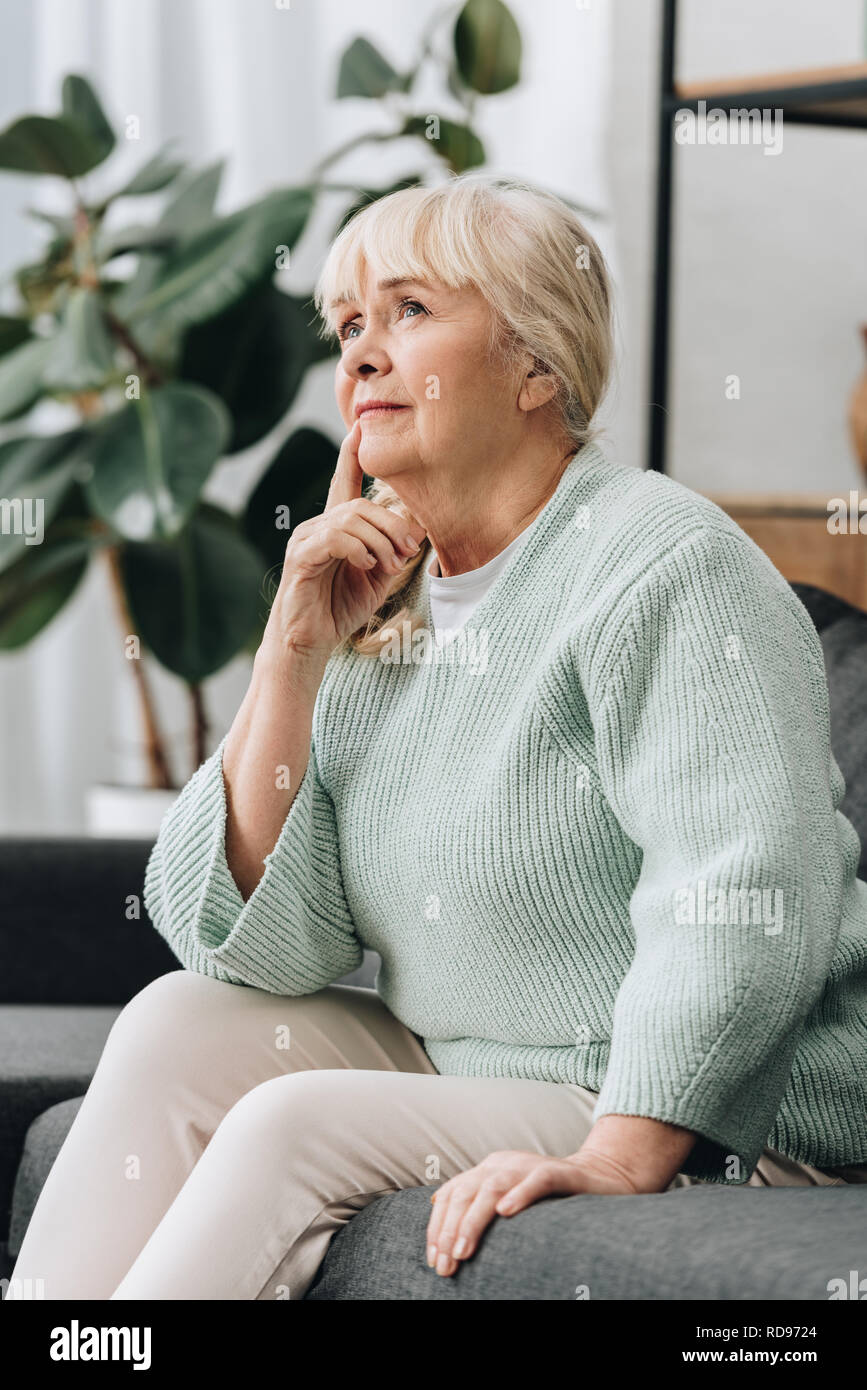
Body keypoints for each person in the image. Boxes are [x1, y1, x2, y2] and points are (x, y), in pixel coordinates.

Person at [8, 173, 867, 1302]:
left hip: (716, 1106)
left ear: (538, 366)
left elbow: (746, 886)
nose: (360, 354)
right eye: (350, 324)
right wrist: (291, 653)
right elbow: (263, 950)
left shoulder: (664, 564)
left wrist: (620, 1152)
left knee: (292, 1121)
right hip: (484, 1065)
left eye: (409, 311)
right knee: (181, 1019)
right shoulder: (388, 600)